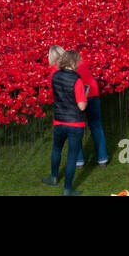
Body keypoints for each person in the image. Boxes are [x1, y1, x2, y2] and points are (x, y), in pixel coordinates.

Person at [43, 47, 88, 194]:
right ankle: (67, 189)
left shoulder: (55, 76)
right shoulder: (77, 79)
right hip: (75, 123)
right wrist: (85, 96)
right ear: (74, 62)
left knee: (56, 149)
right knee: (71, 156)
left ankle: (54, 177)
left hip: (59, 121)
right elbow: (81, 106)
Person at [73, 51, 109, 168]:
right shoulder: (81, 62)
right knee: (96, 126)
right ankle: (102, 159)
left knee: (76, 128)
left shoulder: (66, 66)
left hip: (80, 95)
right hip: (93, 92)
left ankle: (79, 161)